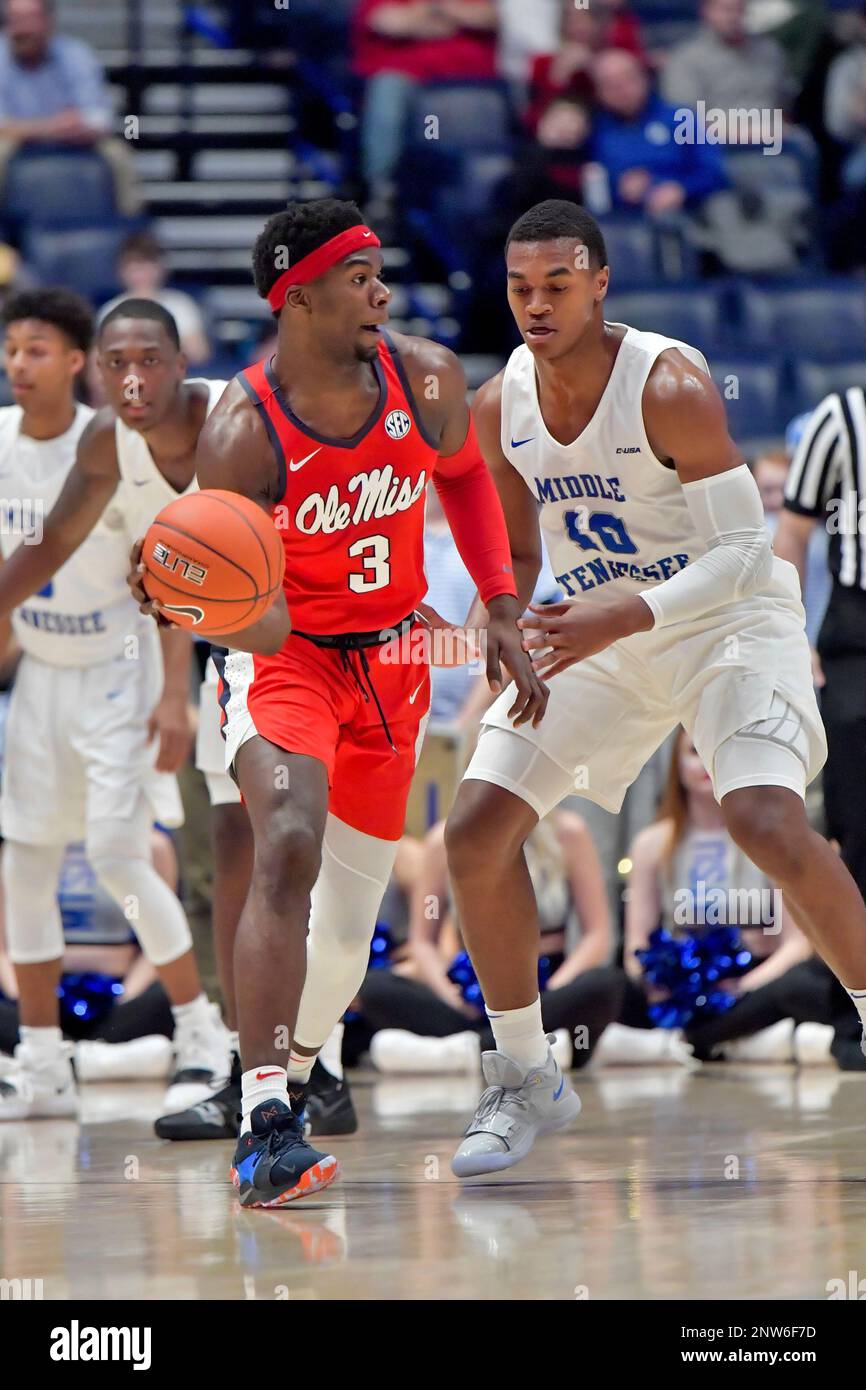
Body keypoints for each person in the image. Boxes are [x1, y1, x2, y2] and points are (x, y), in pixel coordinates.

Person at [130, 197, 543, 1208]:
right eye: (360, 278)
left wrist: (494, 604)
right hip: (290, 661)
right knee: (285, 837)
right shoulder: (241, 432)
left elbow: (465, 481)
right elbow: (251, 624)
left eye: (380, 274)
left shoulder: (427, 375)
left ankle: (295, 1069)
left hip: (396, 657)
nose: (382, 293)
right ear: (297, 294)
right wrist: (195, 595)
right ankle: (264, 1114)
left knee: (349, 921)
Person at [443, 197, 866, 1178]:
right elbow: (506, 551)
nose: (535, 305)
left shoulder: (668, 382)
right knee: (472, 830)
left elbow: (738, 552)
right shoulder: (496, 404)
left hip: (722, 623)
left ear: (598, 282)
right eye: (518, 289)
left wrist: (620, 614)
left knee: (764, 819)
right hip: (599, 630)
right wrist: (503, 616)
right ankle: (522, 1074)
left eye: (556, 285)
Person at [0, 290, 231, 1119]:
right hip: (41, 674)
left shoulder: (113, 446)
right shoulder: (4, 444)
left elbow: (163, 581)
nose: (18, 363)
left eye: (37, 349)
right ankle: (41, 1063)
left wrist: (175, 692)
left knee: (115, 855)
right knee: (23, 861)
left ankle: (201, 1032)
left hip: (116, 668)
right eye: (11, 348)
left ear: (73, 367)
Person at [359, 808, 622, 1071]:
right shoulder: (443, 839)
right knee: (375, 987)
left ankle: (466, 1051)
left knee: (607, 984)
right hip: (469, 984)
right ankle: (528, 1051)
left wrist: (552, 988)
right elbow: (423, 941)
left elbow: (597, 934)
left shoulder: (569, 833)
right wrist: (449, 995)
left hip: (547, 983)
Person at [616, 728, 813, 1062]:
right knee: (607, 988)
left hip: (754, 981)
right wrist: (658, 986)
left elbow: (796, 945)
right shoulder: (651, 844)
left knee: (803, 986)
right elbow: (636, 945)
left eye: (716, 752)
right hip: (679, 983)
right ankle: (732, 1039)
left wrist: (743, 986)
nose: (706, 763)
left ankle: (692, 1041)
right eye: (695, 751)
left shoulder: (767, 836)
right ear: (676, 765)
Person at [774, 379, 866, 931]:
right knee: (856, 827)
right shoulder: (842, 415)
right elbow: (791, 532)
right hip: (856, 640)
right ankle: (852, 1004)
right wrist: (795, 632)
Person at [0, 0, 140, 215]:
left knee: (119, 154)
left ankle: (131, 238)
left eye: (28, 19)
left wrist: (82, 126)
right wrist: (50, 127)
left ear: (48, 22)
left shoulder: (77, 54)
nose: (21, 29)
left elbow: (100, 118)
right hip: (14, 143)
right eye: (15, 20)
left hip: (73, 138)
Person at [588, 49, 728, 220]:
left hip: (691, 217)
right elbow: (588, 183)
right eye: (610, 84)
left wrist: (681, 189)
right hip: (623, 224)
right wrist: (618, 187)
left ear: (645, 78)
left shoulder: (682, 118)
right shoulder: (594, 129)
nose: (621, 90)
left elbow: (715, 172)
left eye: (628, 79)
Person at [660, 0, 792, 119]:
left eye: (739, 9)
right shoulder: (685, 59)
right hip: (715, 141)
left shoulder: (769, 50)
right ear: (706, 12)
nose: (733, 17)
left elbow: (786, 101)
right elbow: (686, 119)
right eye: (726, 10)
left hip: (777, 136)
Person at [99, 232, 211, 367]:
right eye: (134, 267)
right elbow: (102, 361)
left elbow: (199, 353)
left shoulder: (181, 305)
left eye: (148, 265)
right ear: (121, 271)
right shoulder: (110, 310)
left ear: (161, 268)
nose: (142, 273)